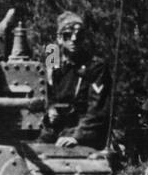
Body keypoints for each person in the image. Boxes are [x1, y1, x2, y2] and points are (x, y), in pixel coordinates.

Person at [39, 12, 111, 150]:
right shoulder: (52, 56)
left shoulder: (95, 66)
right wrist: (50, 109)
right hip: (54, 128)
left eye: (79, 36)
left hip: (81, 130)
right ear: (59, 38)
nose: (73, 39)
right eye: (67, 35)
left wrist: (77, 136)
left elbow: (97, 109)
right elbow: (46, 90)